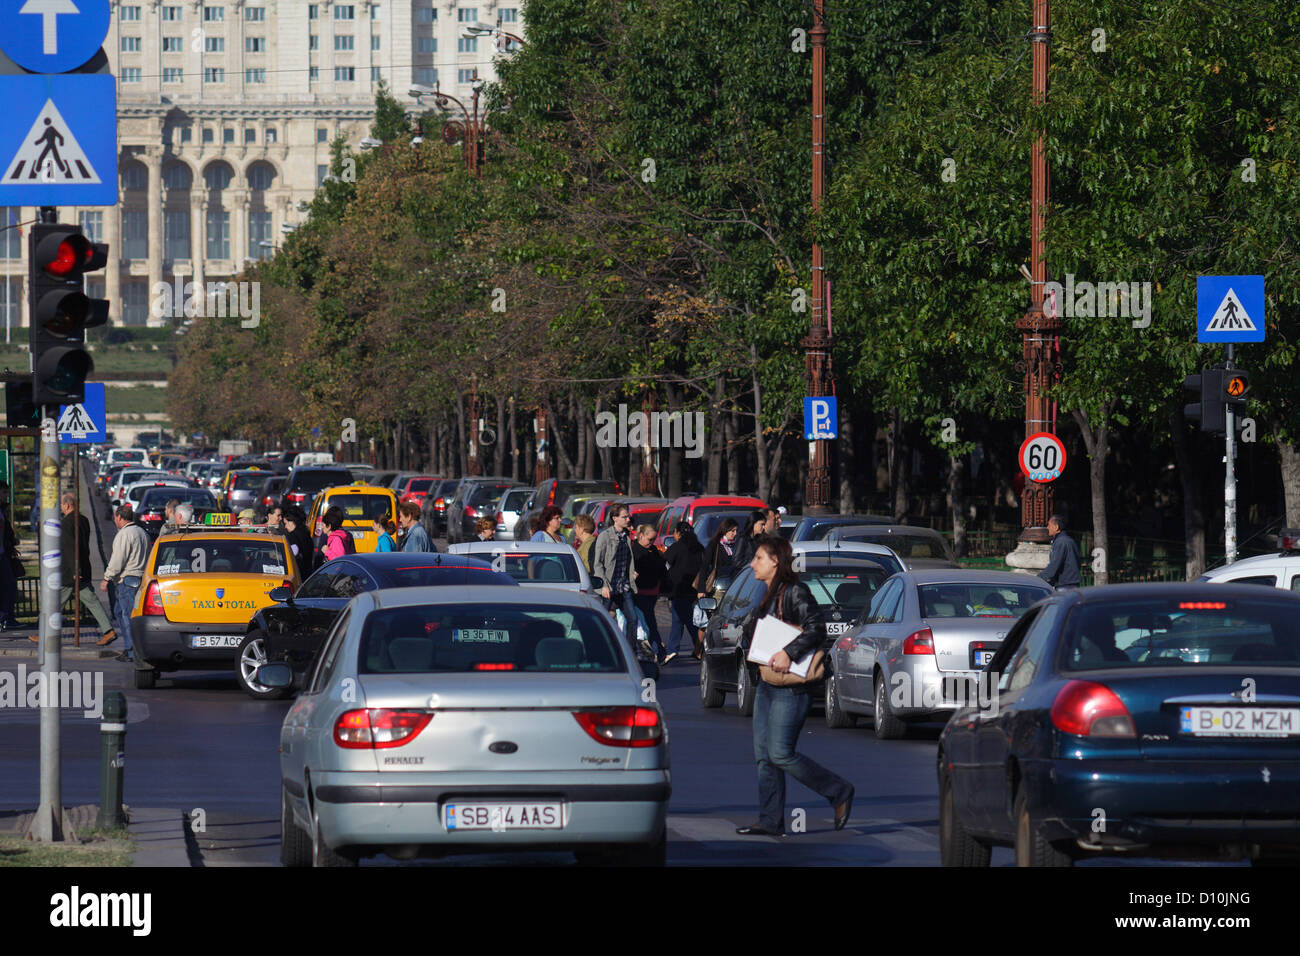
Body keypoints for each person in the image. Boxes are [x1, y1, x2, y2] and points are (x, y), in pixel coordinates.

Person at [737, 535, 854, 836]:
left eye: (759, 558)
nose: (753, 564)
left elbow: (817, 627)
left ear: (775, 561)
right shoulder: (768, 594)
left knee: (780, 753)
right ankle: (770, 821)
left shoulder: (794, 591)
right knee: (764, 757)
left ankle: (838, 791)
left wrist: (788, 652)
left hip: (791, 688)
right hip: (767, 683)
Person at [36, 492, 116, 647]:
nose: (61, 507)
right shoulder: (84, 520)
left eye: (61, 504)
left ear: (67, 505)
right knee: (92, 601)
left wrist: (75, 571)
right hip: (83, 569)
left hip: (70, 573)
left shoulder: (66, 523)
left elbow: (71, 548)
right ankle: (108, 631)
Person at [101, 505, 151, 663]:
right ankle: (131, 648)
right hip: (141, 578)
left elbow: (118, 560)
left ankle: (132, 651)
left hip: (128, 580)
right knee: (120, 612)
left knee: (127, 616)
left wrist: (107, 577)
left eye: (115, 518)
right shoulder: (143, 533)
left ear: (120, 517)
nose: (115, 521)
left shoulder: (124, 534)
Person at [592, 504, 638, 649]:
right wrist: (603, 585)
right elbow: (597, 564)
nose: (628, 519)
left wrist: (632, 573)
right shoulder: (605, 537)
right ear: (615, 518)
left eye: (628, 516)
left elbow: (627, 561)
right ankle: (600, 647)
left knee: (633, 619)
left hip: (623, 585)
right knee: (603, 619)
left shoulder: (626, 537)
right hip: (609, 585)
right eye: (624, 517)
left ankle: (630, 650)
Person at [662, 519, 704, 661]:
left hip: (678, 587)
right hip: (694, 588)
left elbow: (665, 560)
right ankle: (674, 648)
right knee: (679, 618)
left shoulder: (677, 546)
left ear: (678, 533)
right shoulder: (699, 547)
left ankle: (695, 647)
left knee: (684, 619)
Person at [631, 523, 669, 663]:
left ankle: (655, 650)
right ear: (641, 536)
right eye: (649, 539)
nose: (651, 542)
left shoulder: (653, 550)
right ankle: (659, 651)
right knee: (648, 623)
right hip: (639, 591)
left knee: (648, 621)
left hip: (652, 590)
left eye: (653, 539)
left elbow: (661, 568)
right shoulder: (634, 549)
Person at [695, 517, 738, 601]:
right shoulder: (714, 545)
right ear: (725, 530)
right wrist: (701, 589)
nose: (735, 533)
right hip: (718, 588)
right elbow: (704, 567)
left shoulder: (735, 546)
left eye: (736, 530)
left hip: (733, 586)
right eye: (732, 531)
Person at [1039, 513, 1082, 589]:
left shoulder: (1061, 542)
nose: (1047, 527)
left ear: (1056, 527)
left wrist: (1038, 578)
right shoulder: (1067, 540)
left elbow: (1054, 566)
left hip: (1065, 585)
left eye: (1049, 525)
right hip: (1070, 583)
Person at [0, 481, 19, 629]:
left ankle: (7, 617)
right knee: (8, 584)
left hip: (3, 554)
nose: (7, 496)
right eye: (4, 493)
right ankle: (6, 618)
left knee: (10, 585)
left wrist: (11, 543)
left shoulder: (2, 510)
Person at [282, 505, 315, 577]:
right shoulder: (306, 533)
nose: (285, 527)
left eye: (286, 523)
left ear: (292, 521)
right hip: (308, 574)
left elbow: (292, 554)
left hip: (298, 575)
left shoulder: (293, 536)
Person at [732, 509, 768, 573]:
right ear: (754, 523)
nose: (764, 527)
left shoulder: (759, 539)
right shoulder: (742, 538)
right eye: (761, 524)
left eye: (764, 525)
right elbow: (737, 562)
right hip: (743, 576)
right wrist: (755, 561)